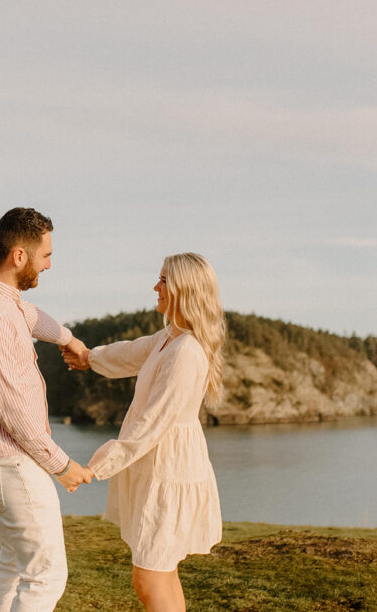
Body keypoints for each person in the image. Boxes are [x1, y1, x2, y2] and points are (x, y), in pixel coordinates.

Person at [61, 253, 225, 612]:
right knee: (160, 573)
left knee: (150, 576)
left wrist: (98, 467)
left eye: (164, 280)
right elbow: (132, 352)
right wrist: (89, 357)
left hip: (170, 469)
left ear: (184, 288)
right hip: (161, 465)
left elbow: (153, 423)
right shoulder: (171, 338)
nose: (156, 287)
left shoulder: (186, 351)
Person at [0, 206, 94, 612]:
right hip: (10, 462)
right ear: (19, 256)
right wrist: (60, 464)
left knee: (14, 567)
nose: (48, 264)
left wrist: (67, 339)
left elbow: (30, 316)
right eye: (45, 255)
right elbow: (12, 411)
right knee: (46, 574)